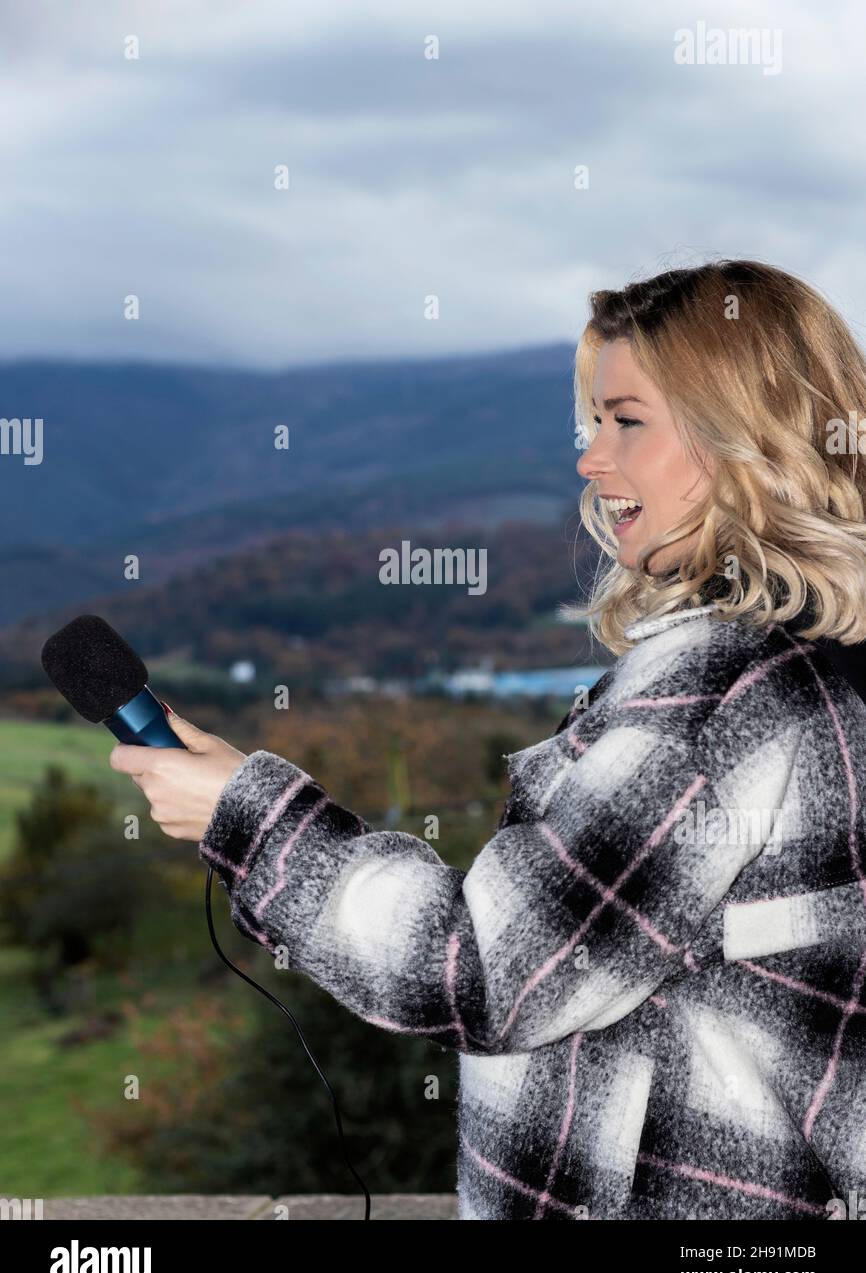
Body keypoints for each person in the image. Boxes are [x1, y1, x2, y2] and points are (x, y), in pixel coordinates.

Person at [110, 259, 866, 1220]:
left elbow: (483, 972)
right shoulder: (815, 659)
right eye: (591, 423)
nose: (592, 460)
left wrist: (247, 816)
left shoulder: (715, 692)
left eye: (627, 420)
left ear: (742, 434)